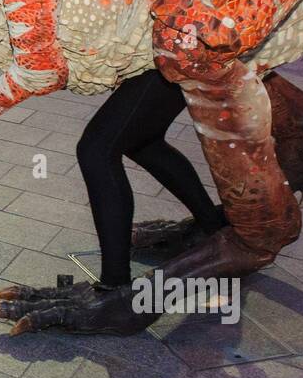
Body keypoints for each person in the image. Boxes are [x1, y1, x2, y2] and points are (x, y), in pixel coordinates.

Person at [76, 70, 227, 290]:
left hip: (179, 50)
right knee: (144, 142)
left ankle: (115, 285)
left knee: (96, 150)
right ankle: (215, 229)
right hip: (177, 52)